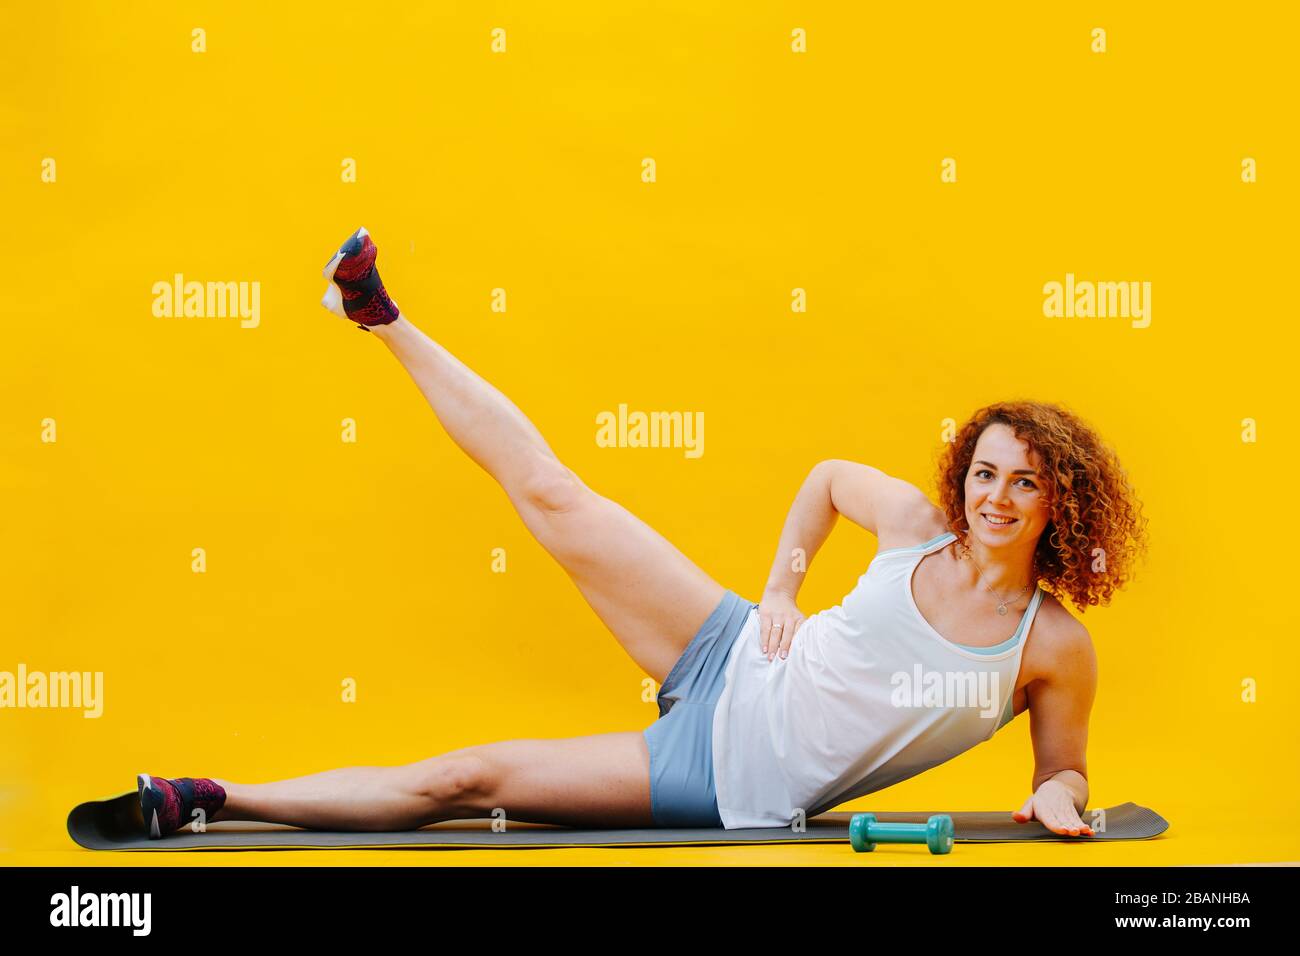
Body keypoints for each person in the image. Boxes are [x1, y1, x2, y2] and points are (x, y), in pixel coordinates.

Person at [136, 228, 1149, 839]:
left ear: (1059, 502)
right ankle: (378, 315)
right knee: (556, 495)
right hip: (732, 647)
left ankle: (218, 795)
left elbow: (1062, 769)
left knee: (463, 780)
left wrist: (1060, 797)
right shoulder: (916, 525)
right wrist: (783, 590)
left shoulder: (1052, 646)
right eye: (984, 472)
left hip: (726, 773)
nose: (995, 497)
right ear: (962, 474)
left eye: (1024, 483)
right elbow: (825, 481)